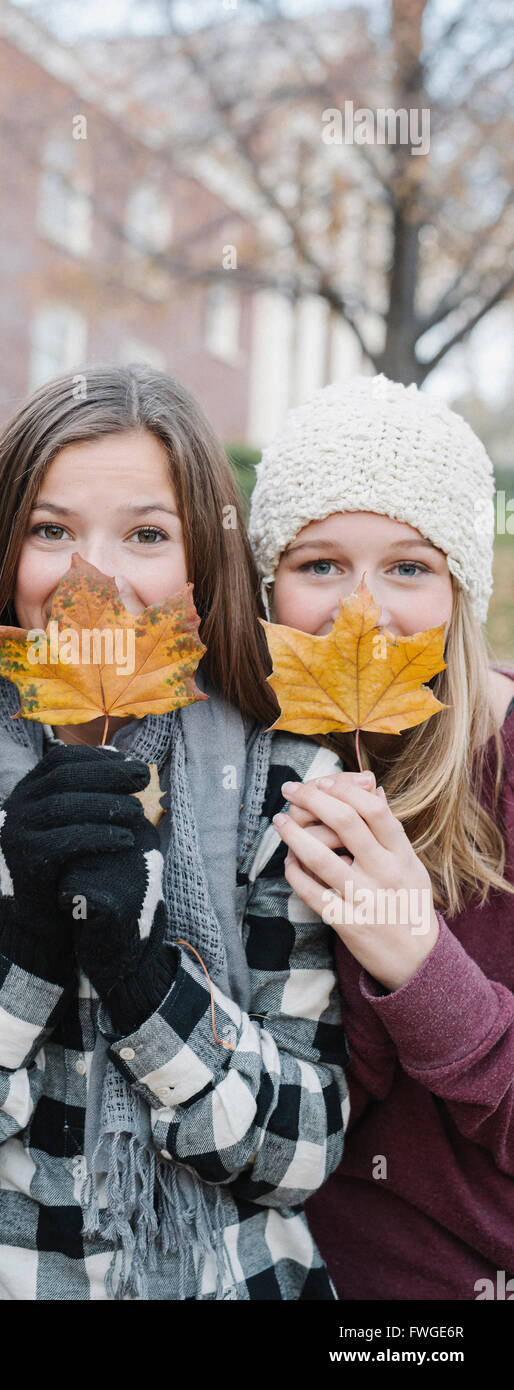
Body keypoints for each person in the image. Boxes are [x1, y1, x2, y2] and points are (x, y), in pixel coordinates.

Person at [0, 364, 349, 1301]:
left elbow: (299, 1155)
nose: (96, 576)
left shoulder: (286, 780)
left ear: (198, 564)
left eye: (145, 534)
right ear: (1, 557)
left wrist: (143, 979)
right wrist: (21, 948)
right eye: (51, 531)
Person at [248, 373, 514, 1300]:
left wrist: (420, 964)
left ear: (461, 591)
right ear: (269, 592)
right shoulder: (245, 771)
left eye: (409, 567)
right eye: (319, 565)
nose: (363, 612)